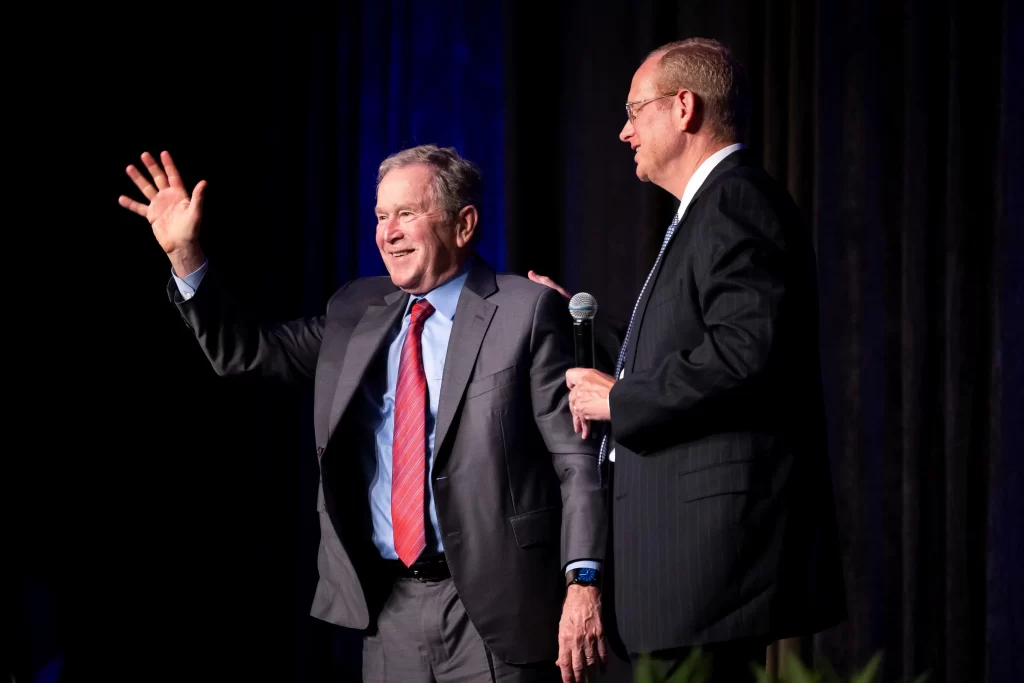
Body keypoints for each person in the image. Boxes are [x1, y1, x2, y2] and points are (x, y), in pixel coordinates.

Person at [118, 144, 608, 683]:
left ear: (464, 224)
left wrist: (582, 582)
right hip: (389, 611)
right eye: (380, 216)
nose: (387, 232)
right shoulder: (355, 311)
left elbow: (575, 461)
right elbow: (247, 354)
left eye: (406, 214)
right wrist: (186, 257)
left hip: (497, 610)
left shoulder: (524, 310)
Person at [529, 38, 846, 681]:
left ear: (683, 108)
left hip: (710, 568)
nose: (623, 132)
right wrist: (581, 327)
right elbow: (694, 351)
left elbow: (745, 356)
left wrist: (616, 400)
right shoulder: (708, 210)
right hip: (687, 577)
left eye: (634, 111)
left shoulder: (735, 201)